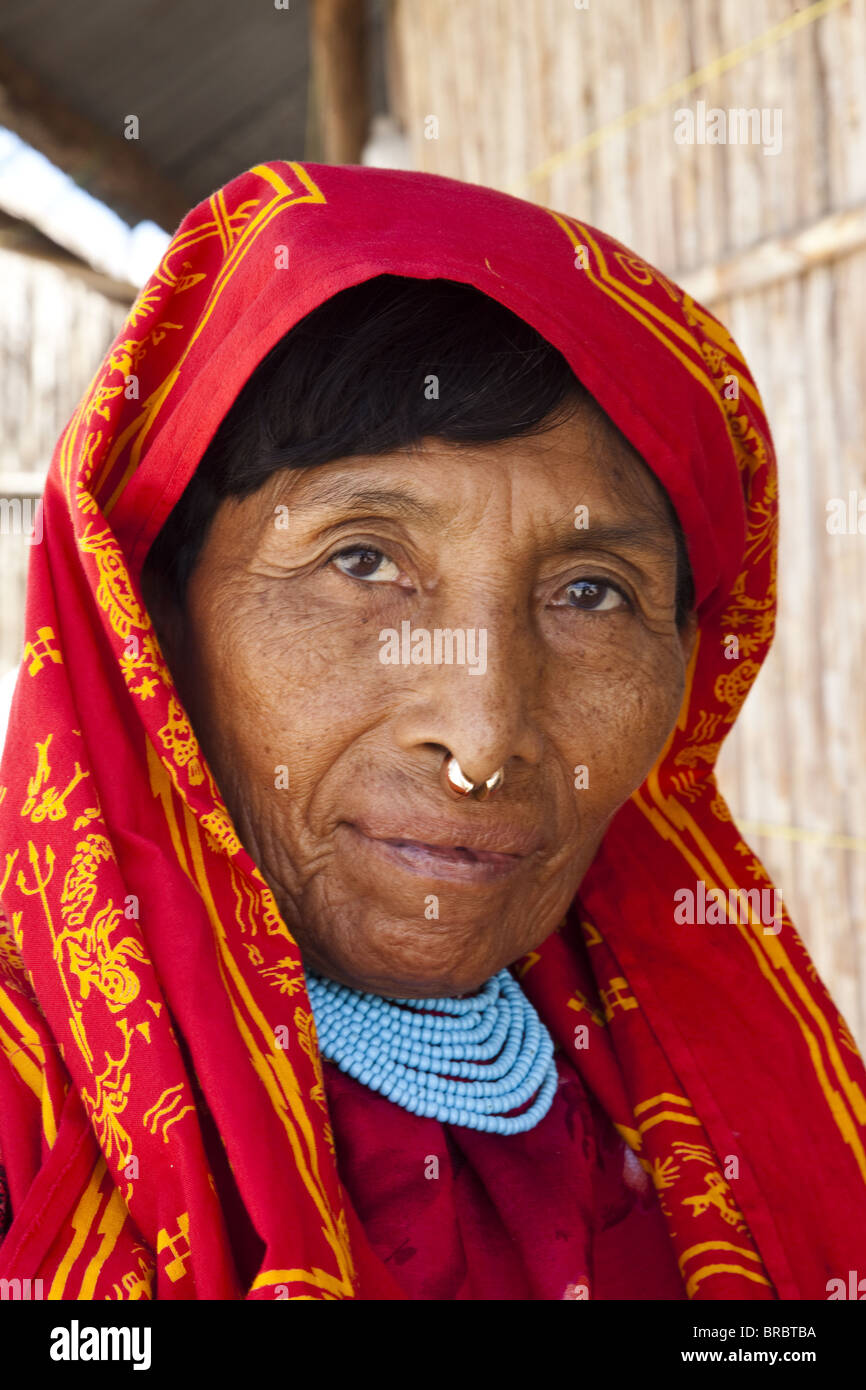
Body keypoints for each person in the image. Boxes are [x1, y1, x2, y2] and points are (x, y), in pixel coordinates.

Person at [0, 160, 863, 1301]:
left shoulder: (724, 1094)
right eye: (361, 561)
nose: (483, 736)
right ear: (146, 610)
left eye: (590, 593)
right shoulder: (32, 1118)